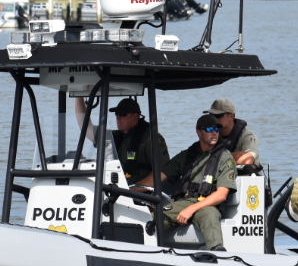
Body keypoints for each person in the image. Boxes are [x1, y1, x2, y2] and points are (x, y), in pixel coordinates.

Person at [155, 114, 236, 251]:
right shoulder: (187, 155)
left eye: (217, 129)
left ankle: (218, 253)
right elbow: (158, 177)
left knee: (211, 217)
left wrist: (191, 209)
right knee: (154, 217)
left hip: (207, 205)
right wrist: (132, 190)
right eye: (210, 129)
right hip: (183, 202)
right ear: (199, 132)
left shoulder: (225, 158)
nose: (215, 132)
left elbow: (221, 195)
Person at [75, 97, 168, 188]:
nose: (118, 117)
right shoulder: (113, 137)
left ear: (135, 116)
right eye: (116, 114)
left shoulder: (150, 139)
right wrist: (78, 95)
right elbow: (86, 128)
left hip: (140, 199)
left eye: (123, 114)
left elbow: (164, 172)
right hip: (114, 193)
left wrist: (134, 190)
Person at [204, 98, 259, 165]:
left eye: (218, 115)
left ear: (231, 116)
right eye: (212, 116)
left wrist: (216, 156)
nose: (214, 119)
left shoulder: (247, 136)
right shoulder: (209, 135)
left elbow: (248, 159)